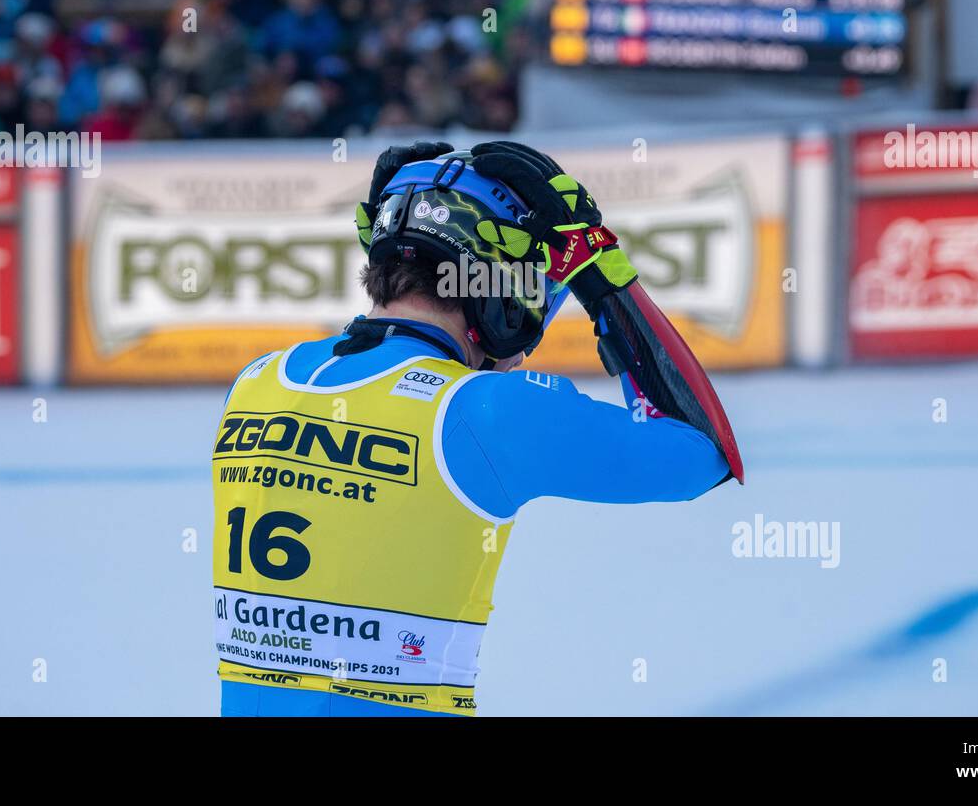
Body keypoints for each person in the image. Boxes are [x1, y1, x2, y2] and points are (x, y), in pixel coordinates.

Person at [211, 141, 743, 717]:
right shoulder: (483, 410)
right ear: (492, 282)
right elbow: (704, 451)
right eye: (535, 283)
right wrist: (597, 270)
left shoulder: (258, 382)